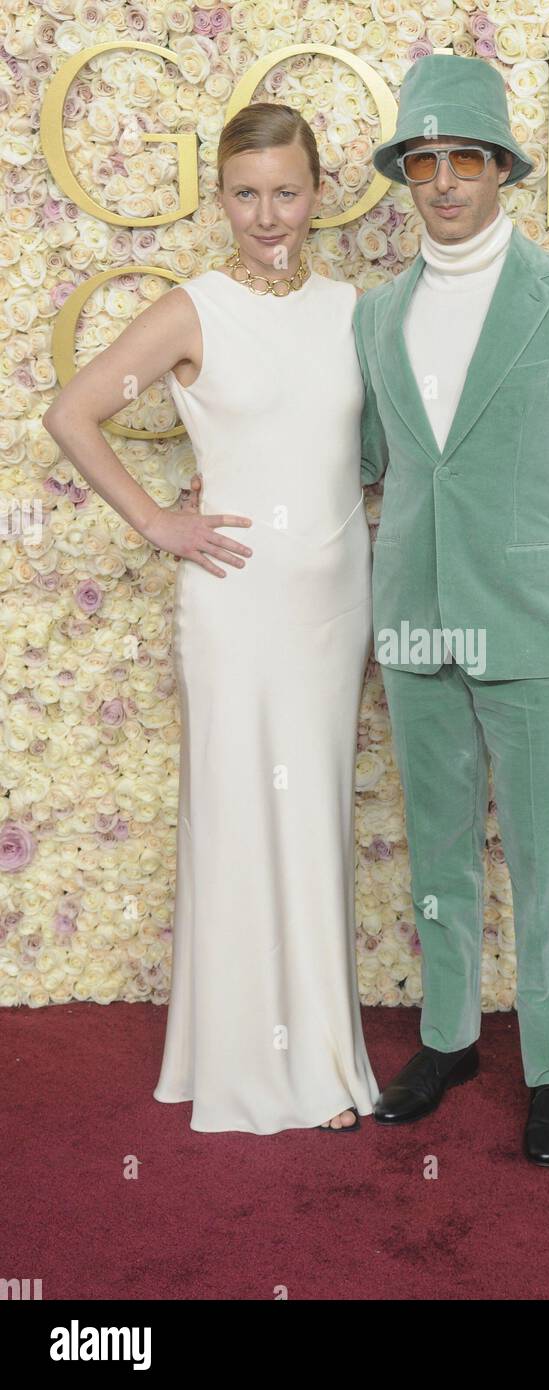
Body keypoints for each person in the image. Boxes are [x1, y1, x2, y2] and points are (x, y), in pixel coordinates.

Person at [42, 102, 379, 1135]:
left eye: (286, 192)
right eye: (245, 194)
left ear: (318, 193)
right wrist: (157, 520)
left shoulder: (354, 308)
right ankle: (245, 1066)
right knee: (242, 816)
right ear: (220, 197)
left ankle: (321, 1055)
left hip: (334, 602)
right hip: (235, 606)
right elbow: (72, 412)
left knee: (314, 816)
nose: (267, 215)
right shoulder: (193, 310)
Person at [351, 55, 549, 1164]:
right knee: (435, 849)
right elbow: (374, 458)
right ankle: (449, 1035)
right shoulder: (379, 315)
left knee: (546, 855)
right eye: (424, 162)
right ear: (409, 177)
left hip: (534, 625)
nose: (444, 181)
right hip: (416, 616)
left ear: (501, 169)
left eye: (465, 158)